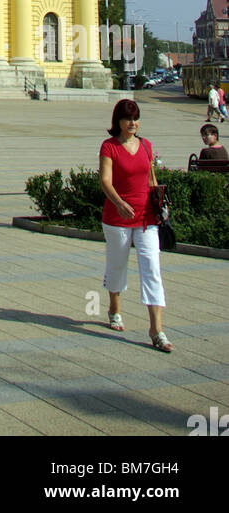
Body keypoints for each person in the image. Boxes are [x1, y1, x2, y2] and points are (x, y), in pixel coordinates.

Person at [98, 98, 172, 352]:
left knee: (152, 268)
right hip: (117, 218)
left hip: (146, 218)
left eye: (136, 118)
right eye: (128, 118)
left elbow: (151, 179)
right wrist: (118, 202)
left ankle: (156, 329)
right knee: (117, 266)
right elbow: (105, 181)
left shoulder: (146, 146)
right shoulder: (109, 147)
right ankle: (114, 309)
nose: (133, 123)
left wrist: (160, 204)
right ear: (118, 121)